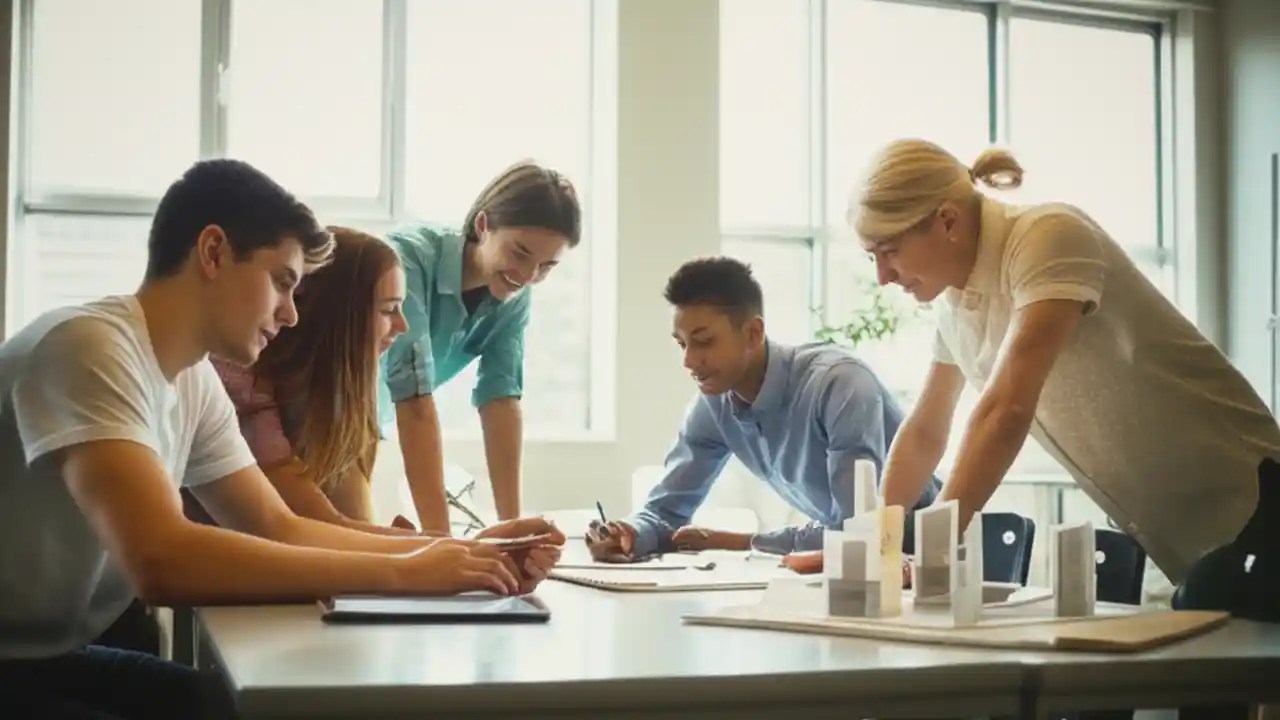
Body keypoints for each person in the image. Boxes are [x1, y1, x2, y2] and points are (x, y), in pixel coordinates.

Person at [0, 159, 561, 719]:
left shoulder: (192, 379)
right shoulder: (89, 348)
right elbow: (160, 558)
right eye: (282, 282)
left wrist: (464, 554)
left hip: (55, 656)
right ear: (214, 252)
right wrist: (406, 573)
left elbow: (280, 526)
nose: (291, 314)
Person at [849, 138, 1280, 626]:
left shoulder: (1048, 236)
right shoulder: (956, 308)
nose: (884, 276)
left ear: (947, 220)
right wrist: (879, 550)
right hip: (1180, 536)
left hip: (1256, 499)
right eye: (872, 258)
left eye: (889, 251)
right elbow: (927, 430)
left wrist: (934, 549)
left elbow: (1007, 407)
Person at [584, 257, 941, 564]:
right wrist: (629, 533)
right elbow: (664, 512)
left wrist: (745, 542)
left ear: (753, 333)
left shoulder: (839, 385)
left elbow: (855, 530)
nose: (689, 361)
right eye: (682, 344)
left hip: (930, 556)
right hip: (843, 569)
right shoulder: (714, 404)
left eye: (704, 342)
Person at [381, 160, 582, 535]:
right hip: (308, 415)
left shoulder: (515, 297)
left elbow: (501, 400)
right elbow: (414, 400)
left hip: (362, 429)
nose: (528, 276)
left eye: (547, 267)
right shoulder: (406, 261)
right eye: (520, 253)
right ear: (482, 225)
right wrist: (442, 541)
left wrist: (513, 530)